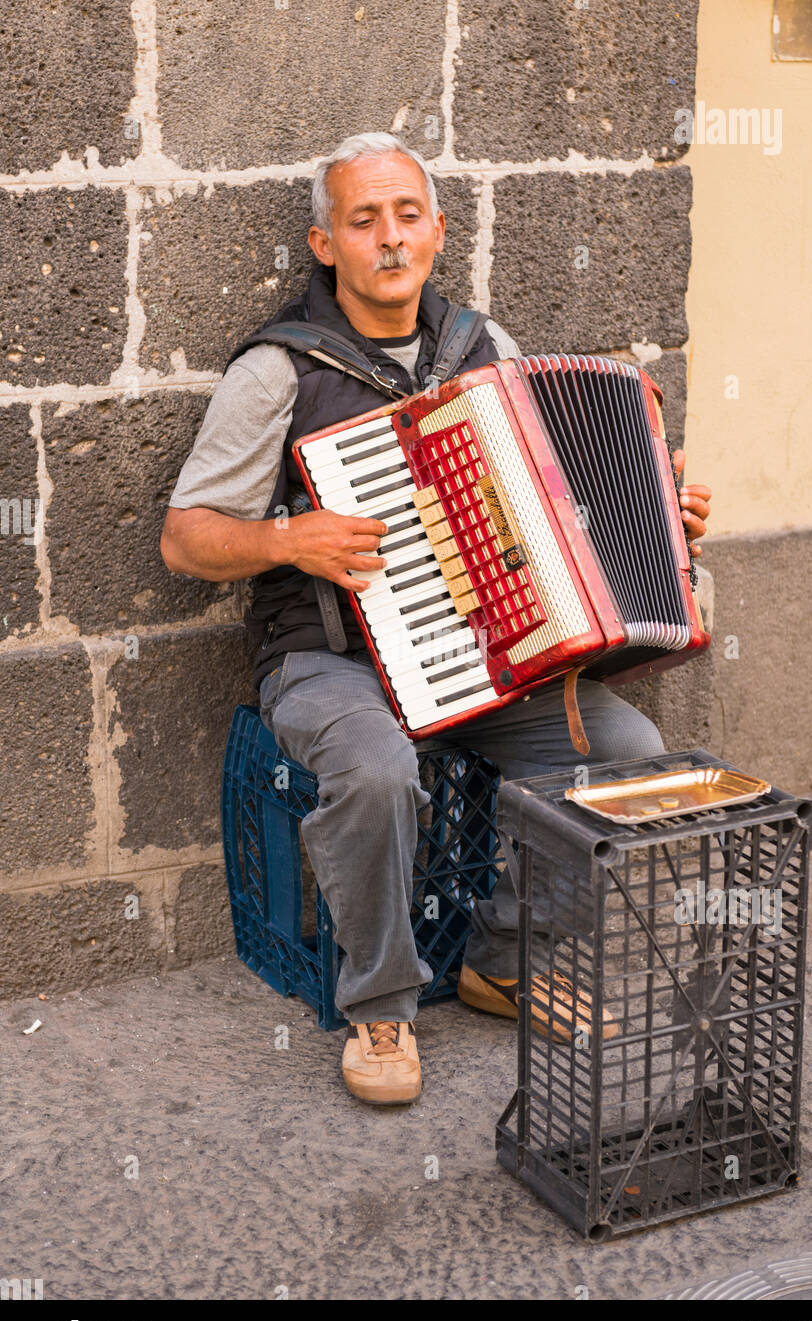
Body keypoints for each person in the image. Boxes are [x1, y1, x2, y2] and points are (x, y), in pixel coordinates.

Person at [160, 132, 712, 1107]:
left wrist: (660, 519)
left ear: (437, 231)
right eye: (362, 220)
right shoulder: (279, 371)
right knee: (376, 769)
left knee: (629, 746)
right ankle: (380, 1002)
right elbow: (185, 537)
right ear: (323, 243)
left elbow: (550, 515)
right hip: (328, 661)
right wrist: (290, 542)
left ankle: (502, 960)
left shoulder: (481, 351)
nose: (388, 239)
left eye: (405, 215)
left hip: (475, 652)